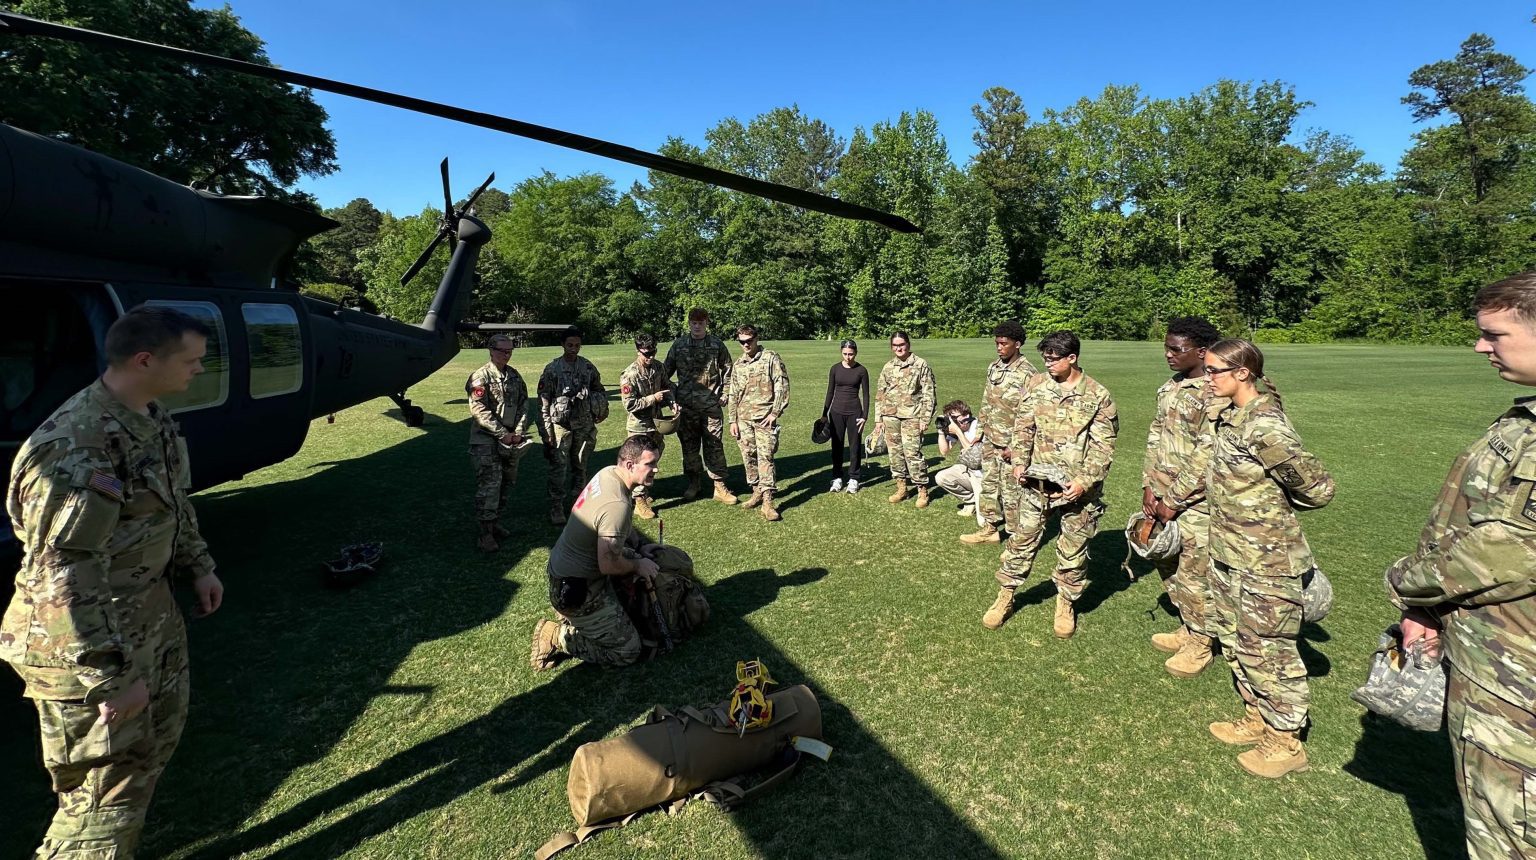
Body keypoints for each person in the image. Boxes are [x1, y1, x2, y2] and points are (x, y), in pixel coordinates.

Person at [3, 306, 226, 858]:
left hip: (145, 619)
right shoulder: (77, 449)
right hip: (87, 648)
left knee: (142, 763)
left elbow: (171, 503)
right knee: (102, 798)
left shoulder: (148, 417)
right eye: (191, 360)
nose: (199, 369)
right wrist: (109, 676)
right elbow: (62, 572)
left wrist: (198, 565)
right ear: (145, 360)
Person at [1386, 271, 1536, 857]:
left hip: (1518, 685)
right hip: (1493, 663)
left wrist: (1406, 583)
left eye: (1494, 334)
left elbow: (1501, 554)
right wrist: (1427, 609)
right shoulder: (1524, 417)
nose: (1480, 346)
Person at [1201, 338, 1334, 779]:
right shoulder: (1232, 417)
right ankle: (1257, 716)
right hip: (1229, 551)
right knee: (1235, 638)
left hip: (1267, 561)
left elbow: (1317, 489)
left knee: (1269, 649)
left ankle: (1285, 740)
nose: (1207, 378)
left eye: (1214, 370)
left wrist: (1267, 512)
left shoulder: (1265, 427)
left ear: (1243, 373)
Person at [987, 331, 1116, 638]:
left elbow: (1103, 447)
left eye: (1053, 359)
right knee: (1021, 542)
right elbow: (1023, 427)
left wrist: (1083, 482)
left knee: (1073, 552)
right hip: (1037, 485)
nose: (1047, 364)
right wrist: (1019, 462)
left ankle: (1065, 603)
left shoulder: (1098, 396)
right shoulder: (1036, 385)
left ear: (1072, 358)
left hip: (1077, 492)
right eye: (1045, 358)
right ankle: (1006, 595)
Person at [530, 434, 664, 670]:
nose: (656, 469)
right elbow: (608, 564)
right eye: (650, 463)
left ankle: (581, 618)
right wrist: (638, 565)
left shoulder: (609, 473)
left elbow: (611, 529)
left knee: (637, 561)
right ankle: (556, 635)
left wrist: (639, 548)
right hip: (577, 590)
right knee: (627, 651)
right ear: (630, 465)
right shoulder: (616, 505)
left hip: (568, 571)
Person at [1141, 317, 1223, 676]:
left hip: (1196, 503)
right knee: (1167, 561)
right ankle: (1190, 625)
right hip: (1161, 495)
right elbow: (1155, 437)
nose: (1169, 354)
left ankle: (1202, 643)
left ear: (1202, 352)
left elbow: (1207, 455)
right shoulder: (1169, 388)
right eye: (1167, 348)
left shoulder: (1215, 393)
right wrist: (1148, 486)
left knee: (1194, 573)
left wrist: (1173, 500)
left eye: (1177, 349)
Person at [964, 321, 1039, 545]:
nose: (999, 347)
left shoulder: (1028, 374)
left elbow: (1032, 415)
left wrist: (1016, 448)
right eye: (997, 343)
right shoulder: (994, 367)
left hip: (1010, 444)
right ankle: (990, 529)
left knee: (1011, 493)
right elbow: (987, 400)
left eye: (1004, 344)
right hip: (990, 440)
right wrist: (979, 432)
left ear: (1017, 344)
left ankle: (1015, 539)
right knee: (988, 487)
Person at [662, 308, 739, 506]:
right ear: (689, 323)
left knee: (714, 445)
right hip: (686, 408)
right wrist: (672, 396)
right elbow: (664, 374)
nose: (697, 327)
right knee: (689, 447)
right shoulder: (679, 345)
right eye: (693, 323)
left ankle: (719, 486)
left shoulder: (716, 345)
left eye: (701, 323)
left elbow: (728, 369)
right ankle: (694, 482)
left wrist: (725, 392)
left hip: (710, 406)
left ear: (707, 323)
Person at [466, 334, 531, 552]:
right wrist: (502, 433)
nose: (507, 354)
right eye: (503, 350)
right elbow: (479, 410)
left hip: (511, 440)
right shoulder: (480, 377)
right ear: (491, 350)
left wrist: (518, 431)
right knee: (490, 487)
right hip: (485, 442)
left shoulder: (514, 376)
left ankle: (494, 524)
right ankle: (485, 534)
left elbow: (524, 404)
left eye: (510, 350)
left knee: (507, 483)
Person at [538, 327, 603, 525]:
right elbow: (543, 402)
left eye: (577, 345)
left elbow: (598, 389)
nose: (573, 349)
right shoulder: (552, 369)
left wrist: (599, 409)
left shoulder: (587, 367)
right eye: (570, 345)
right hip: (561, 425)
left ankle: (579, 503)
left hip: (584, 423)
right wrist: (546, 432)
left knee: (581, 464)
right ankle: (556, 506)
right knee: (559, 467)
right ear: (562, 345)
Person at [726, 324, 790, 521]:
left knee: (766, 457)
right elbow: (733, 393)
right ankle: (756, 491)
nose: (746, 345)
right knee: (748, 456)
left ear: (756, 339)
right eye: (741, 342)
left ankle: (768, 501)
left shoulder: (770, 358)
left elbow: (781, 385)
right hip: (743, 419)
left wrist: (775, 412)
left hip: (765, 418)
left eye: (749, 341)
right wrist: (732, 420)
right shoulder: (738, 364)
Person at [876, 331, 937, 506]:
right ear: (891, 347)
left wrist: (925, 418)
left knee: (912, 453)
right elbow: (880, 394)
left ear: (908, 345)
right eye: (895, 345)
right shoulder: (888, 366)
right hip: (890, 416)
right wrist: (878, 419)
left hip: (912, 416)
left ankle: (922, 489)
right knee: (895, 454)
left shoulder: (920, 364)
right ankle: (902, 488)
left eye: (901, 344)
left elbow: (929, 393)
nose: (899, 348)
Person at [619, 333, 672, 520]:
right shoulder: (629, 374)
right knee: (640, 462)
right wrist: (653, 399)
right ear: (638, 351)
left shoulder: (658, 367)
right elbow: (629, 404)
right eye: (646, 354)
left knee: (654, 457)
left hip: (656, 424)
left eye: (653, 352)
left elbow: (667, 386)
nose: (650, 357)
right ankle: (639, 499)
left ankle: (642, 491)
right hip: (639, 426)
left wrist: (672, 402)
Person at [821, 339, 870, 493]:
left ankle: (854, 478)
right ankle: (837, 477)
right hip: (836, 412)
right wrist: (824, 414)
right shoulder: (835, 369)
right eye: (845, 354)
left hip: (855, 413)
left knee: (855, 446)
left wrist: (865, 416)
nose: (848, 357)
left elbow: (866, 394)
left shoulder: (862, 370)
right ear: (841, 352)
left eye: (851, 354)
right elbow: (830, 391)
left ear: (856, 353)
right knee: (837, 446)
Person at [934, 400, 985, 525]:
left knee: (982, 522)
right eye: (950, 419)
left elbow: (975, 456)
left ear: (966, 416)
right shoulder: (959, 427)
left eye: (955, 418)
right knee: (941, 477)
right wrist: (941, 430)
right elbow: (944, 451)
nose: (953, 422)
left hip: (984, 474)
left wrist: (957, 431)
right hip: (969, 471)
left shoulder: (978, 427)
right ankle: (971, 501)